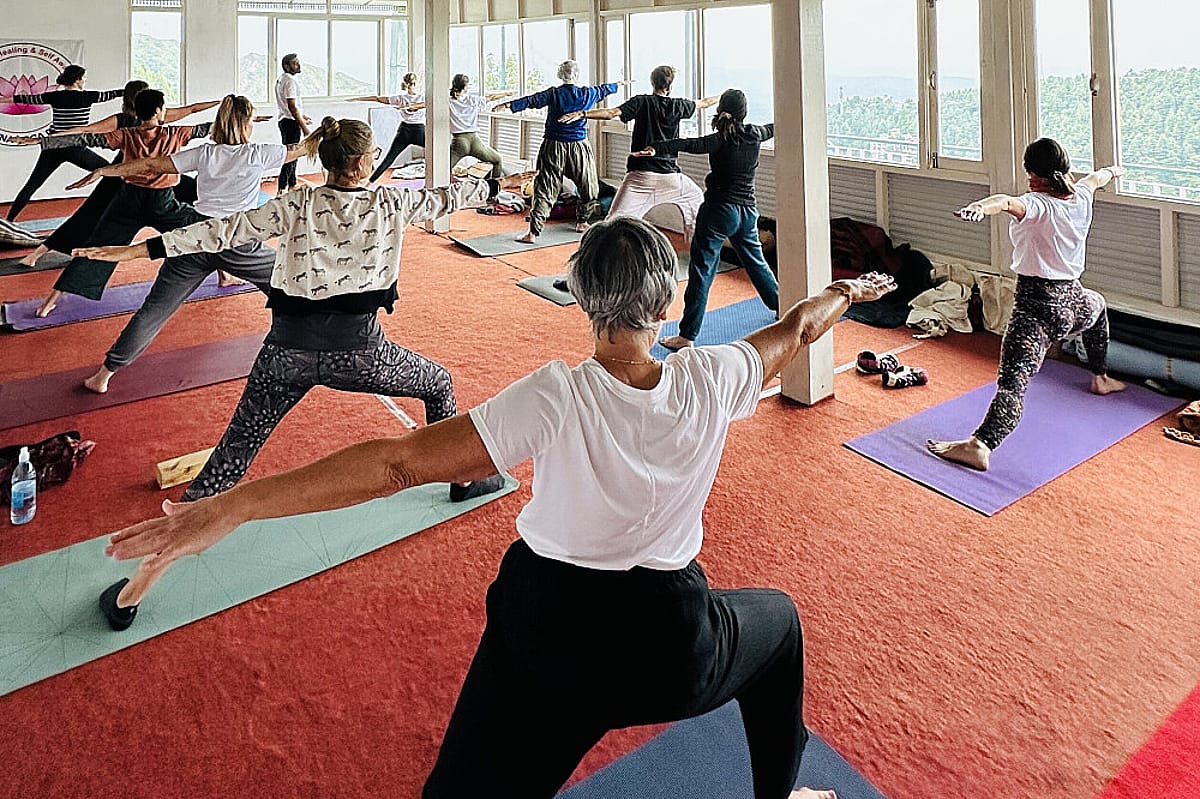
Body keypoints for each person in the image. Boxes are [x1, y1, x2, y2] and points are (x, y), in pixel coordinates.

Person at [102, 215, 892, 798]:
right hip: (668, 645)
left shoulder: (556, 393)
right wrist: (847, 291)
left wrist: (234, 505)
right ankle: (779, 789)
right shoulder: (714, 376)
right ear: (667, 302)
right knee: (778, 621)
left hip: (545, 636)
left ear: (581, 296)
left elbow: (398, 461)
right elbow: (795, 328)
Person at [79, 116, 535, 629]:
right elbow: (450, 196)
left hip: (284, 356)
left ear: (323, 160)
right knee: (439, 383)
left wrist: (136, 250)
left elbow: (217, 230)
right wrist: (499, 178)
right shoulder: (390, 204)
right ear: (364, 162)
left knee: (229, 464)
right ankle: (463, 477)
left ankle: (136, 588)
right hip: (360, 354)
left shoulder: (295, 205)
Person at [67, 94, 306, 394]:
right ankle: (309, 347)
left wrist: (105, 170)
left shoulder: (204, 154)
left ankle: (103, 375)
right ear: (247, 125)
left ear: (220, 121)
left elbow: (150, 165)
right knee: (289, 286)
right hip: (238, 242)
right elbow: (305, 148)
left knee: (154, 309)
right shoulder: (260, 153)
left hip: (193, 237)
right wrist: (325, 133)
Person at [927, 139, 1127, 471]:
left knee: (1013, 384)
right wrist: (1114, 170)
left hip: (1035, 310)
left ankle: (981, 444)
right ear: (1065, 170)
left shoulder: (1037, 204)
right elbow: (1098, 177)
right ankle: (1100, 376)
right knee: (1100, 306)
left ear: (1032, 176)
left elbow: (1005, 202)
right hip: (1073, 304)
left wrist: (980, 206)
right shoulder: (1082, 195)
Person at [35, 89, 212, 316]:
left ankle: (48, 302)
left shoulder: (125, 135)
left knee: (97, 247)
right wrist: (245, 119)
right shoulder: (176, 133)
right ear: (159, 111)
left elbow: (85, 138)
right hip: (163, 204)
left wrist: (44, 140)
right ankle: (226, 274)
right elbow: (210, 128)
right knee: (200, 231)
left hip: (127, 201)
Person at [14, 82, 219, 268]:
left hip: (157, 175)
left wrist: (221, 104)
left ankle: (220, 265)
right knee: (89, 214)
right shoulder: (122, 121)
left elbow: (192, 109)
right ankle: (37, 254)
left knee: (193, 193)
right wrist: (44, 140)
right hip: (122, 175)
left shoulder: (158, 118)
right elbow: (85, 131)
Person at [632, 88, 778, 350]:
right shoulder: (755, 134)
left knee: (702, 271)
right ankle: (784, 309)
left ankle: (687, 336)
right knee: (757, 265)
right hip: (747, 213)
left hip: (719, 211)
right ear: (744, 113)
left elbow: (688, 144)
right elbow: (774, 127)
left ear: (722, 109)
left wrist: (655, 148)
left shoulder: (720, 138)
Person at [560, 65, 716, 244]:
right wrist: (723, 97)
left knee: (612, 225)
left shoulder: (641, 101)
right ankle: (699, 250)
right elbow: (704, 103)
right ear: (670, 86)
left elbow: (610, 113)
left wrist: (583, 114)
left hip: (640, 178)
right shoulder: (678, 105)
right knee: (695, 199)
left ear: (652, 83)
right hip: (671, 178)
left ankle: (597, 261)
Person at [493, 61, 624, 242]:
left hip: (553, 147)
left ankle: (532, 233)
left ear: (560, 76)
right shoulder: (587, 93)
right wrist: (619, 85)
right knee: (589, 187)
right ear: (576, 76)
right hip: (579, 147)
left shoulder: (554, 94)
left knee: (545, 188)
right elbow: (604, 89)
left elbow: (532, 100)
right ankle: (582, 221)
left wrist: (508, 105)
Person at [1, 64, 123, 221]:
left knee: (32, 185)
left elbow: (24, 99)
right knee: (110, 172)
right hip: (75, 148)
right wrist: (135, 92)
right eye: (84, 78)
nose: (85, 80)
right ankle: (114, 213)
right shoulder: (89, 96)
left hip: (53, 147)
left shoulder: (54, 96)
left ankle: (9, 220)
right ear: (78, 80)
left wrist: (2, 99)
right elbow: (114, 94)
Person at [349, 73, 427, 183]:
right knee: (437, 152)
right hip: (417, 131)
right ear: (415, 83)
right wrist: (359, 99)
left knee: (388, 160)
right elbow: (429, 103)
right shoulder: (421, 97)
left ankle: (368, 183)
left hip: (405, 131)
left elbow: (377, 99)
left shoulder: (401, 98)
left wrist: (411, 107)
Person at [448, 74, 513, 180]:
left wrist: (413, 107)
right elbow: (491, 97)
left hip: (459, 141)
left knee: (442, 168)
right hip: (474, 140)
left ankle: (445, 192)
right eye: (468, 85)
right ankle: (492, 193)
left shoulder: (448, 101)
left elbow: (426, 104)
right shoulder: (472, 100)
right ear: (464, 87)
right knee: (497, 160)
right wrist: (506, 93)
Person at [275, 53, 312, 196]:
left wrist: (301, 117)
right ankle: (282, 188)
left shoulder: (282, 79)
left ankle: (292, 184)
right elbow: (291, 106)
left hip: (286, 121)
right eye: (295, 63)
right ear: (287, 66)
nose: (299, 65)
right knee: (291, 155)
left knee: (292, 155)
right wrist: (304, 127)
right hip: (290, 123)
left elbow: (289, 107)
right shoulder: (289, 81)